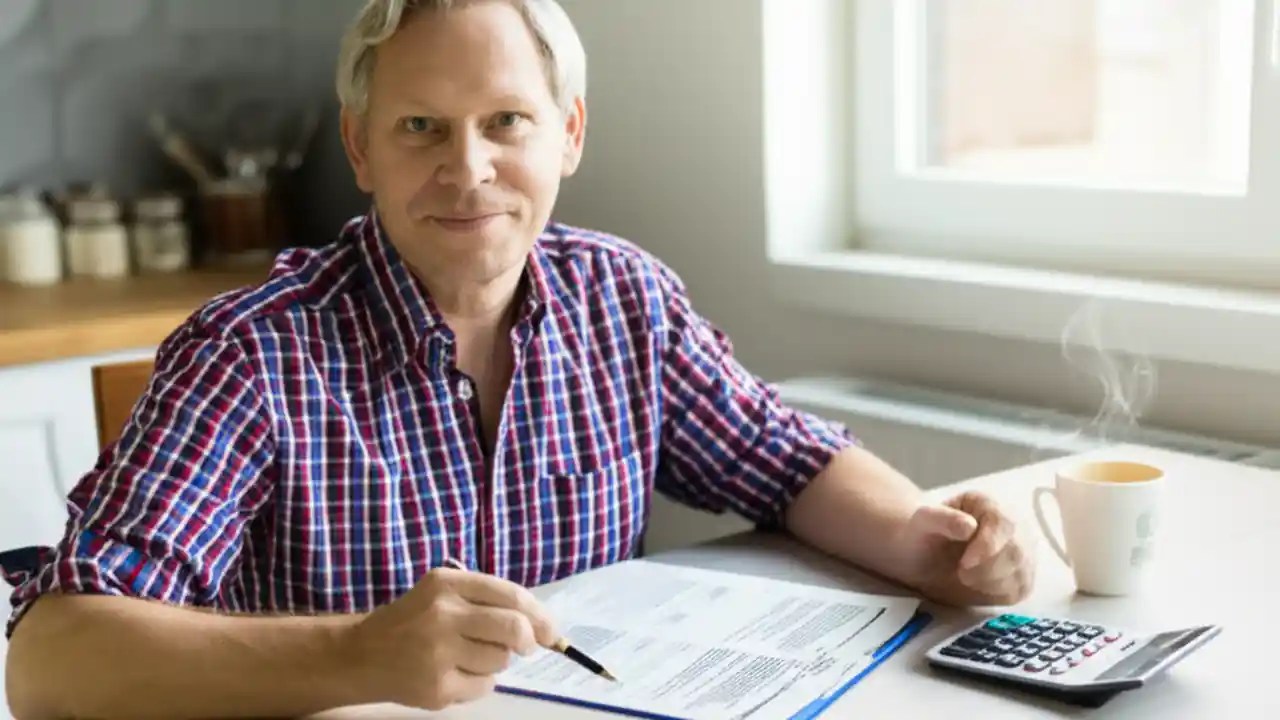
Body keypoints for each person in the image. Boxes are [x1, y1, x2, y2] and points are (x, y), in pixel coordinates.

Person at [2, 1, 1036, 717]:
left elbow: (787, 461)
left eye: (505, 122)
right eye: (420, 128)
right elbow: (52, 662)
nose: (467, 169)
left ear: (567, 133)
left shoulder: (621, 298)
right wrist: (359, 652)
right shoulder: (250, 354)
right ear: (359, 148)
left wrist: (926, 540)